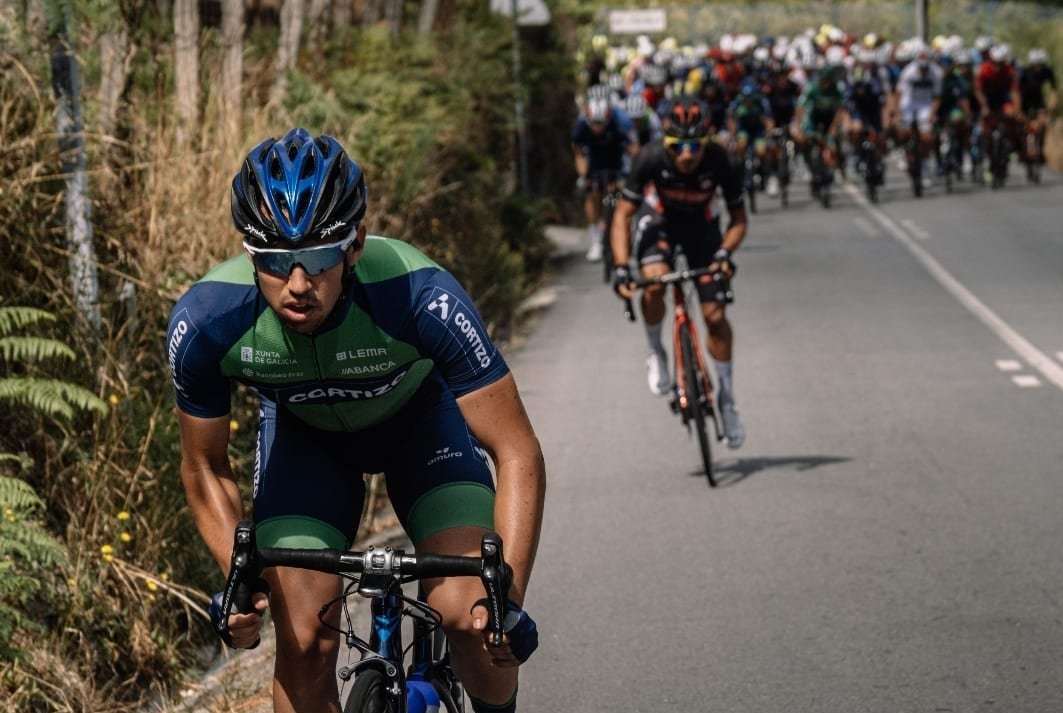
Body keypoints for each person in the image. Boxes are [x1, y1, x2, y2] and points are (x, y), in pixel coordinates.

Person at [166, 128, 545, 713]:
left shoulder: (419, 294)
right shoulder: (209, 318)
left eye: (318, 257)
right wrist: (240, 586)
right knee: (303, 644)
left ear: (355, 245)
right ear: (250, 254)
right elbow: (204, 467)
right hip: (307, 443)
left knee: (471, 623)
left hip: (421, 427)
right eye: (274, 259)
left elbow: (517, 451)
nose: (297, 283)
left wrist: (507, 600)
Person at [609, 96, 749, 449]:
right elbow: (623, 215)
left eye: (694, 146)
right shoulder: (650, 157)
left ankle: (727, 399)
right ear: (666, 144)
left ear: (706, 142)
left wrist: (724, 253)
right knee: (653, 284)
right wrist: (623, 268)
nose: (687, 155)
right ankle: (656, 350)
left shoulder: (722, 160)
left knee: (715, 317)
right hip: (660, 225)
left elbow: (739, 220)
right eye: (678, 147)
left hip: (703, 231)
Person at [572, 89, 636, 262]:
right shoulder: (580, 126)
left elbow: (633, 150)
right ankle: (596, 237)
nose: (597, 127)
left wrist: (633, 175)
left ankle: (624, 237)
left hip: (618, 160)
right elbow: (578, 154)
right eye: (594, 124)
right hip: (595, 160)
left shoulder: (621, 121)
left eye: (601, 124)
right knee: (592, 193)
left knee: (623, 197)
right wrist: (584, 176)